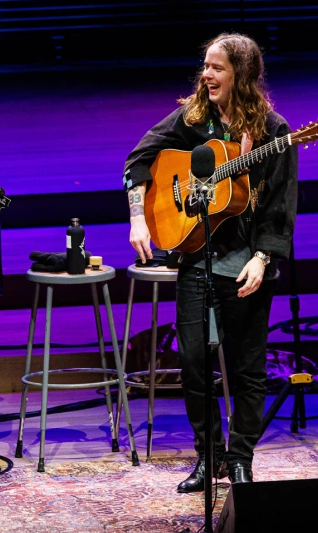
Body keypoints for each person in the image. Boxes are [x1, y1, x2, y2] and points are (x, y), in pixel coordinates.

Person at [122, 33, 298, 491]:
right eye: (205, 65)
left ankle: (240, 458)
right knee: (195, 364)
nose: (206, 74)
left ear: (241, 73)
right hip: (196, 260)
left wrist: (263, 257)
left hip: (246, 264)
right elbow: (138, 159)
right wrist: (139, 219)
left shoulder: (274, 132)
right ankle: (209, 456)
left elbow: (281, 205)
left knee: (247, 368)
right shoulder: (192, 119)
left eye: (216, 67)